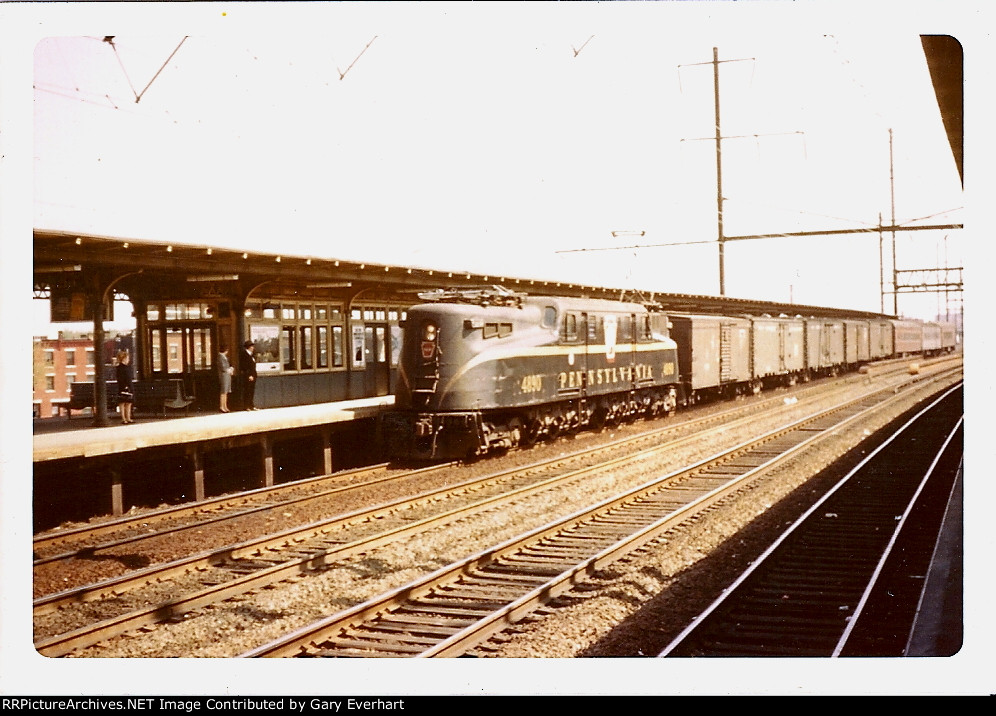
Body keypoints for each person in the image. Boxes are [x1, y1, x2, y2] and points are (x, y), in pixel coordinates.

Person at [115, 349, 134, 424]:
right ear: (124, 358)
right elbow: (124, 378)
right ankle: (125, 418)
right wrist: (127, 386)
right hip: (125, 386)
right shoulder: (123, 368)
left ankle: (126, 418)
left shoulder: (120, 368)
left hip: (124, 386)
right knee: (125, 402)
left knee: (126, 402)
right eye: (127, 358)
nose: (128, 360)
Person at [239, 340, 258, 410]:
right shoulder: (244, 355)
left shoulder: (252, 355)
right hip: (248, 376)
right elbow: (244, 366)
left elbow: (253, 366)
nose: (253, 347)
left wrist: (253, 375)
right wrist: (249, 375)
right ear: (248, 347)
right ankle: (246, 406)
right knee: (247, 390)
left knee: (252, 391)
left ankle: (251, 405)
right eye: (252, 346)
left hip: (253, 375)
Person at [217, 346, 234, 412]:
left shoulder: (224, 357)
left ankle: (225, 406)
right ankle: (222, 406)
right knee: (223, 391)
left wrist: (231, 369)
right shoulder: (220, 357)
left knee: (226, 391)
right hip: (223, 375)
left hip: (227, 375)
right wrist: (230, 370)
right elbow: (223, 367)